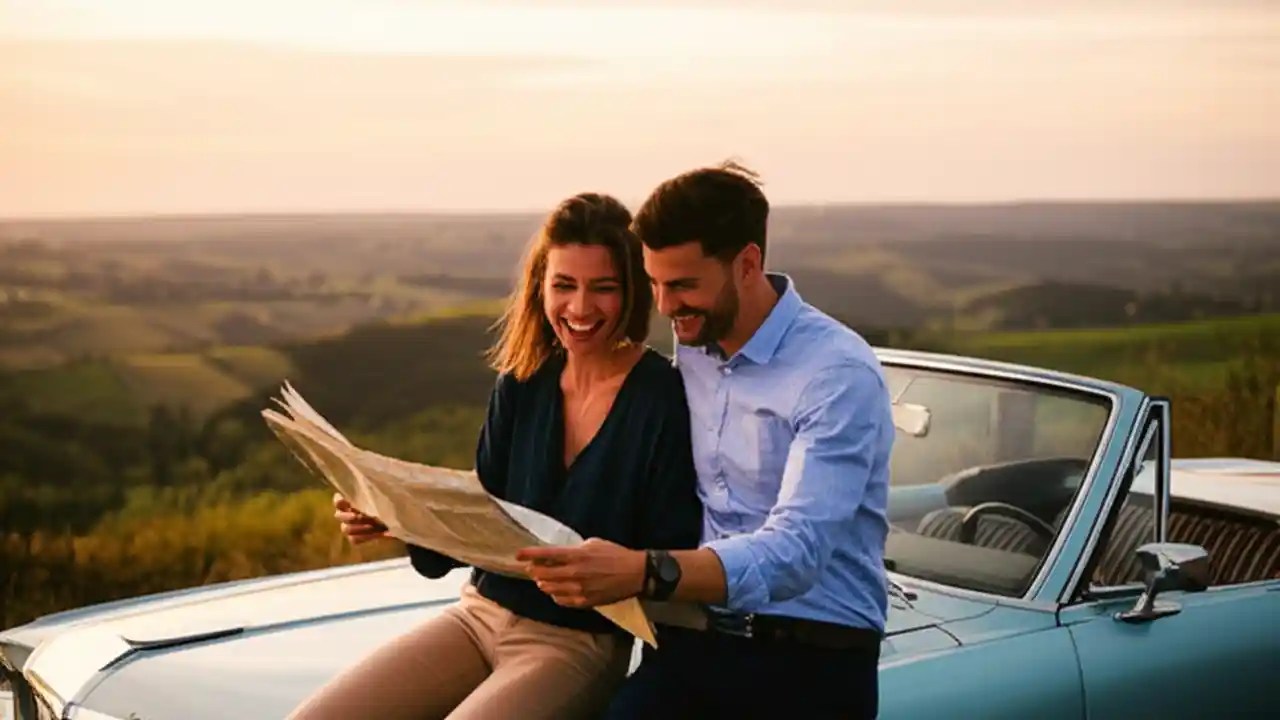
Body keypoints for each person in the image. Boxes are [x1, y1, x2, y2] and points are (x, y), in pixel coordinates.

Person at [288, 192, 703, 720]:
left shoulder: (663, 398)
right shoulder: (522, 383)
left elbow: (672, 548)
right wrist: (395, 518)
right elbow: (482, 521)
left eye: (603, 288)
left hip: (575, 642)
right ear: (540, 287)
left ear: (631, 292)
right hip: (477, 615)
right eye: (564, 285)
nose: (580, 308)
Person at [519, 162, 894, 719]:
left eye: (683, 285)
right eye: (654, 283)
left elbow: (797, 552)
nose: (665, 306)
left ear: (747, 264)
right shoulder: (695, 342)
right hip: (693, 641)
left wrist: (644, 570)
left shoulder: (836, 374)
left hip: (810, 658)